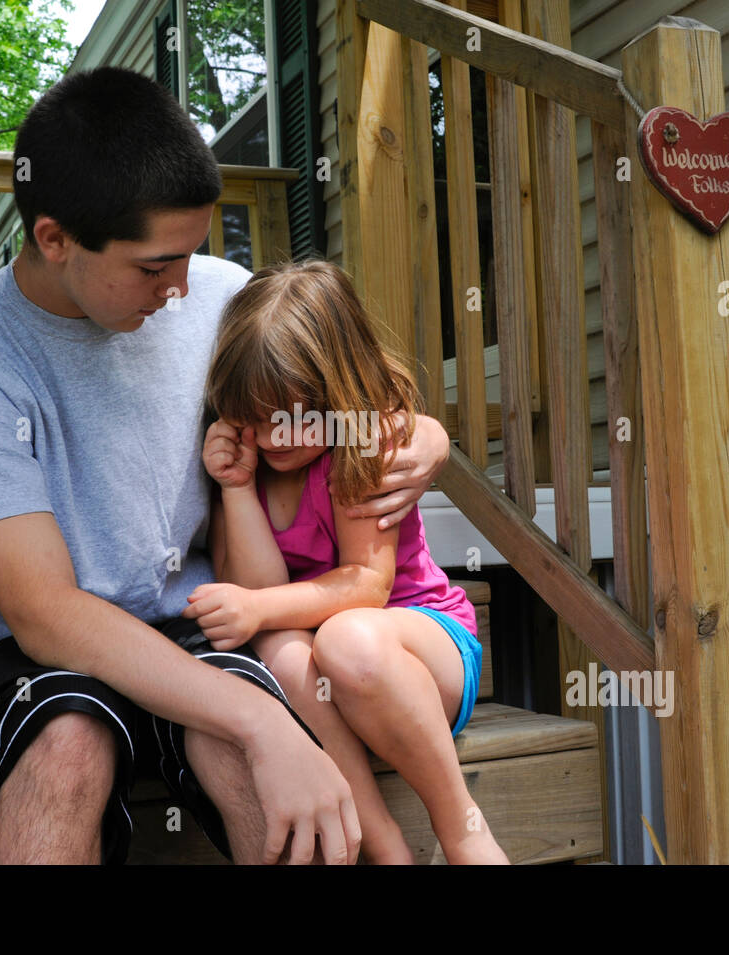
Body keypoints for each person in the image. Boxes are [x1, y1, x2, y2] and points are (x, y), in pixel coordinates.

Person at [0, 66, 453, 865]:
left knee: (264, 773)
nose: (182, 287)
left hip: (203, 622)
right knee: (70, 747)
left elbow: (341, 380)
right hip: (41, 648)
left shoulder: (218, 295)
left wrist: (417, 433)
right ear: (54, 239)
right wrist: (258, 717)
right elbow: (45, 612)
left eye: (194, 253)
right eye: (156, 266)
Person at [186, 260, 509, 864]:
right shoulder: (250, 457)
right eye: (254, 419)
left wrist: (254, 607)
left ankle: (464, 831)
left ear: (338, 393)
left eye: (293, 417)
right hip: (322, 677)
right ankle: (387, 850)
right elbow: (262, 589)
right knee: (279, 645)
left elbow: (367, 584)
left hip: (418, 646)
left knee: (348, 638)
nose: (275, 437)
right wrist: (234, 489)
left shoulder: (360, 449)